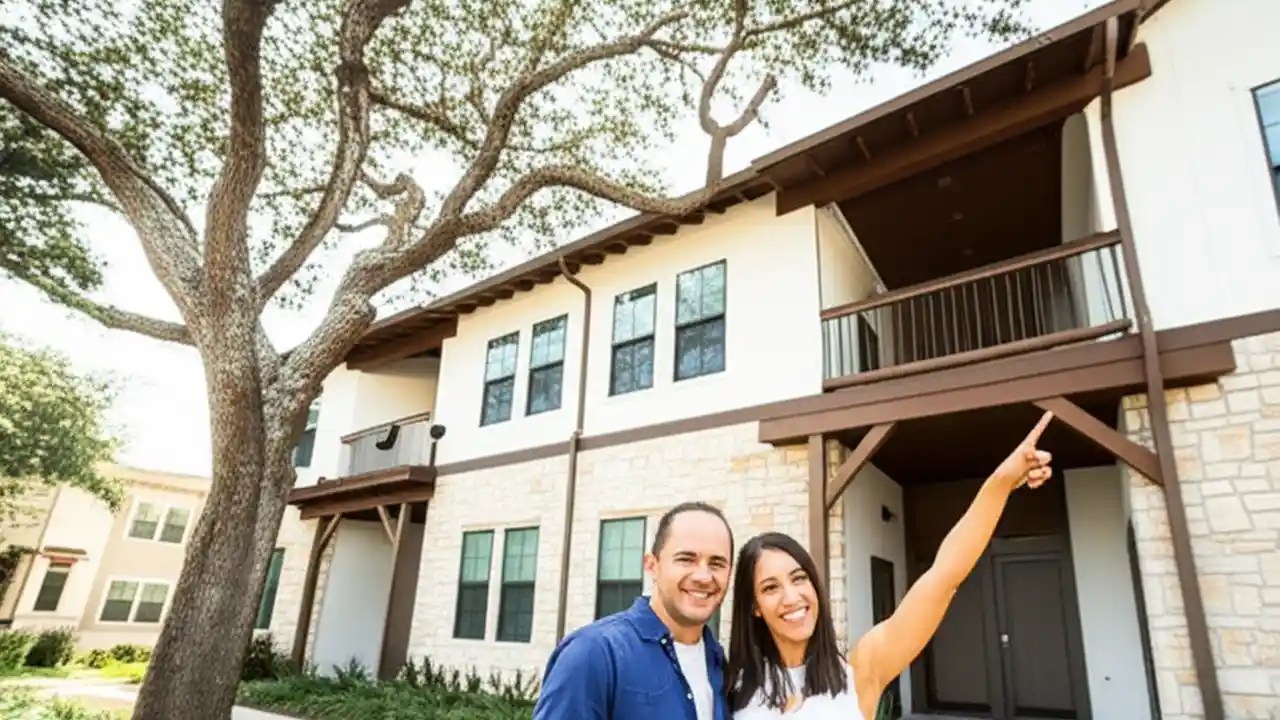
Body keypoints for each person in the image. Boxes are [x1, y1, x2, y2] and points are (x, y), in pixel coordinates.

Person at [726, 411, 1057, 719]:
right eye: (770, 587)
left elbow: (944, 577)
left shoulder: (858, 672)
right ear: (754, 606)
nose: (791, 597)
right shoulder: (732, 691)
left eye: (799, 578)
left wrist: (1000, 483)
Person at [533, 501, 735, 720]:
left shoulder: (717, 661)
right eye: (686, 559)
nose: (703, 577)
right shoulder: (593, 654)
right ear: (652, 566)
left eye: (716, 563)